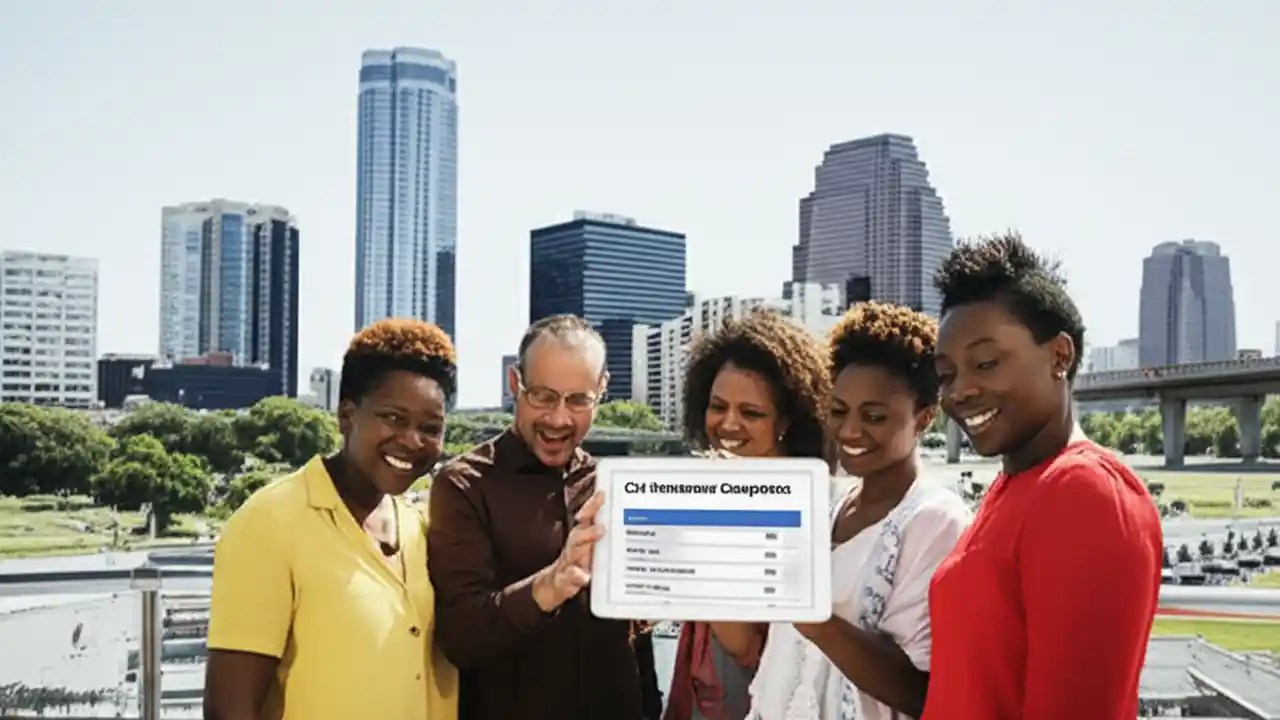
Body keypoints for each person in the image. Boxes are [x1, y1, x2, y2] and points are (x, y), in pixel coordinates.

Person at [922, 233, 1163, 719]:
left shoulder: (1085, 494)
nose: (960, 391)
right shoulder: (1015, 486)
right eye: (946, 375)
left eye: (985, 363)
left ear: (1060, 356)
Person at [204, 318, 459, 720]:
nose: (412, 440)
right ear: (347, 415)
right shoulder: (268, 523)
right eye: (393, 418)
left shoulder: (422, 528)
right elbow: (229, 710)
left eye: (430, 428)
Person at [746, 301, 970, 719]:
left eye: (874, 416)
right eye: (838, 411)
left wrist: (814, 618)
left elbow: (922, 691)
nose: (850, 431)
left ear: (924, 417)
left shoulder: (936, 520)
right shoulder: (824, 504)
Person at [427, 314, 648, 720]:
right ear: (515, 383)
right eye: (543, 396)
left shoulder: (613, 485)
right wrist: (552, 584)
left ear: (601, 390)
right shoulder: (464, 485)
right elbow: (461, 638)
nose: (559, 419)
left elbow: (635, 638)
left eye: (578, 400)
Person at [666, 309, 831, 720]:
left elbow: (743, 644)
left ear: (786, 421)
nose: (728, 424)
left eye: (751, 413)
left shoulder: (805, 506)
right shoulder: (721, 487)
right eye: (717, 406)